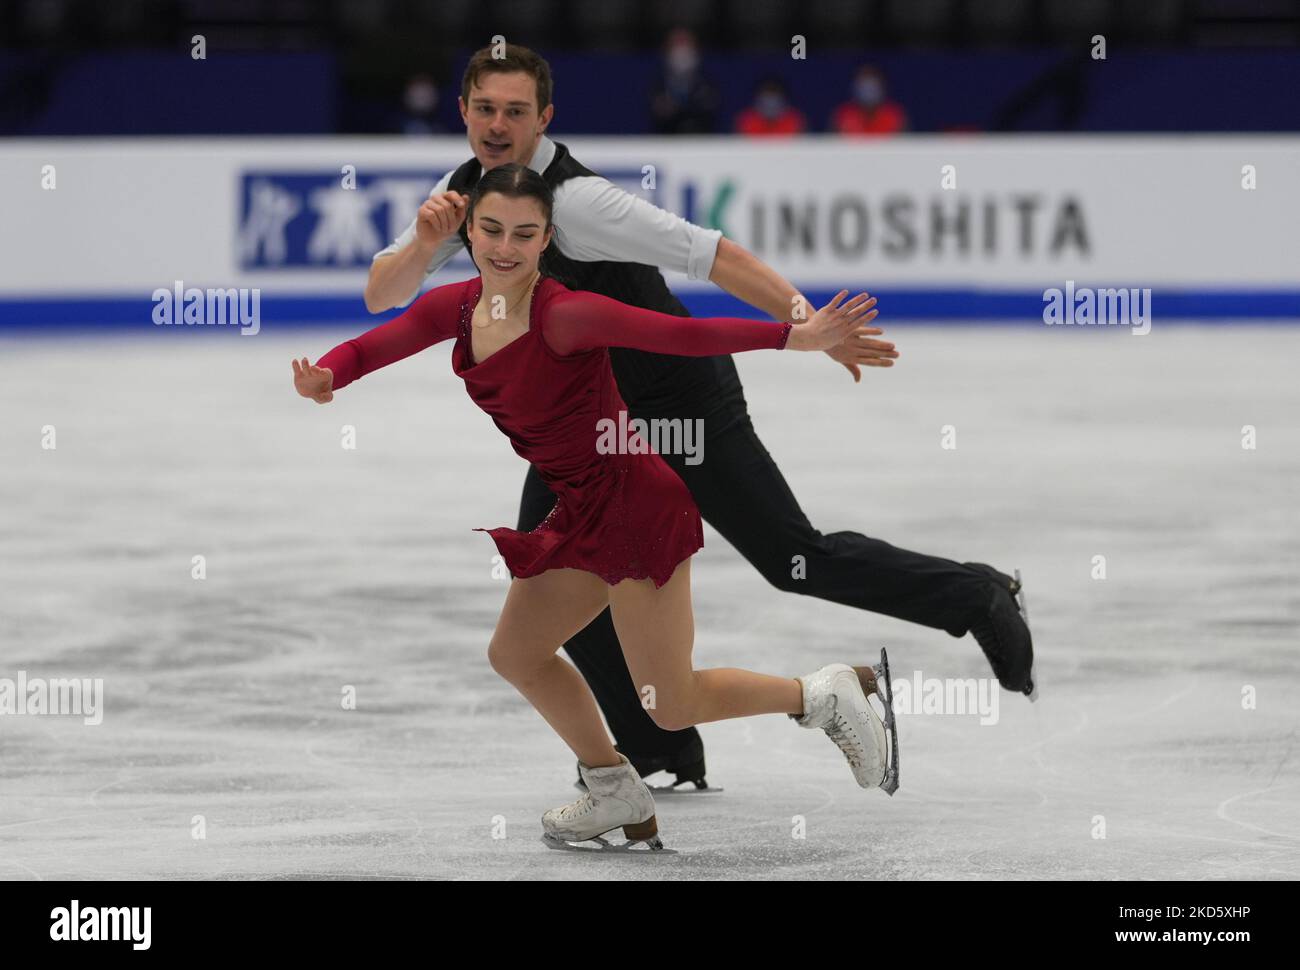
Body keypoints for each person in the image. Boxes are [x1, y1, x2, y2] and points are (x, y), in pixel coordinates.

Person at [364, 43, 1035, 795]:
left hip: (682, 401)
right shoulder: (461, 198)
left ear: (544, 118)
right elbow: (382, 294)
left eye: (515, 111)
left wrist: (804, 325)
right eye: (484, 108)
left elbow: (710, 254)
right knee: (559, 575)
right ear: (462, 112)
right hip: (592, 423)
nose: (497, 125)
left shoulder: (578, 202)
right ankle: (660, 751)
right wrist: (425, 244)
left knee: (791, 557)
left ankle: (975, 594)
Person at [294, 165, 896, 849]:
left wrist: (794, 336)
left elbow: (679, 335)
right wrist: (328, 375)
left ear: (546, 238)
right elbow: (376, 343)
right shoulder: (457, 309)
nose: (505, 246)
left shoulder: (565, 313)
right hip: (581, 509)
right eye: (491, 229)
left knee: (670, 704)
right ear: (468, 232)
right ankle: (614, 790)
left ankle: (823, 693)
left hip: (637, 507)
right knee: (518, 653)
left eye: (524, 233)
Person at [830, 65, 908, 136]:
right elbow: (829, 145)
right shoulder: (843, 116)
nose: (868, 89)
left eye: (873, 85)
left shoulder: (895, 116)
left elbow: (907, 145)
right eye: (864, 83)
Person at [734, 76, 806, 137]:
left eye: (774, 92)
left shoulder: (795, 121)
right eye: (766, 93)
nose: (770, 100)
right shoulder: (745, 121)